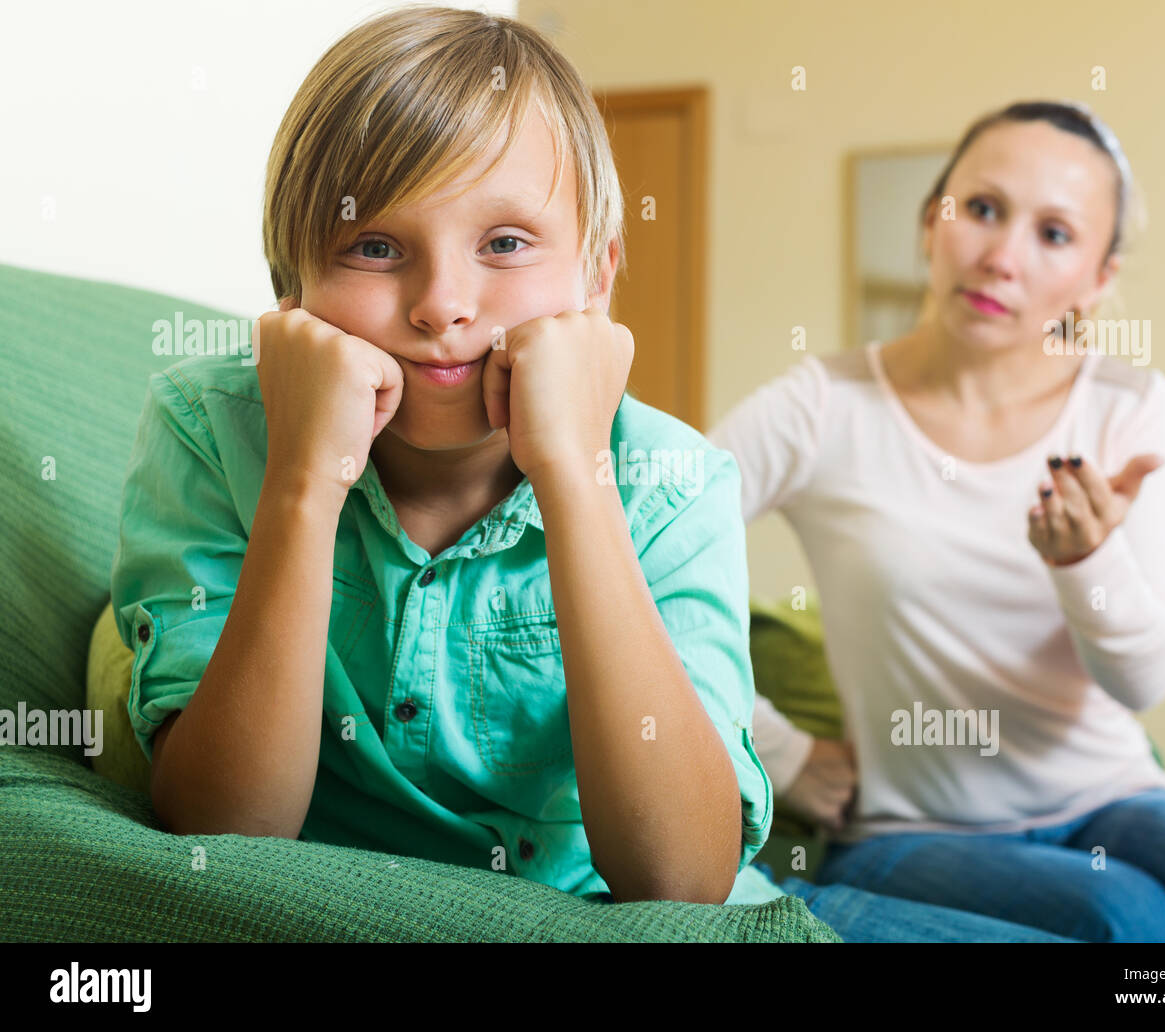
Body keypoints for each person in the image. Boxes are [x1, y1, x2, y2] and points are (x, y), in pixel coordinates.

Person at [108, 7, 1071, 942]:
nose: (443, 304)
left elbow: (681, 881)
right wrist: (304, 484)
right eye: (374, 247)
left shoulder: (672, 481)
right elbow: (220, 834)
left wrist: (572, 470)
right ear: (291, 290)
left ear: (597, 279)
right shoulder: (210, 431)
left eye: (505, 244)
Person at [710, 100, 1165, 942]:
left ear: (1098, 280)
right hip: (910, 830)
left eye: (1054, 234)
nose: (1000, 257)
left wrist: (1088, 562)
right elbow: (649, 557)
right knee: (1126, 919)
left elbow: (1145, 682)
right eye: (981, 210)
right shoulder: (820, 407)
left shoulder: (1129, 407)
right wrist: (779, 751)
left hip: (1111, 794)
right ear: (930, 223)